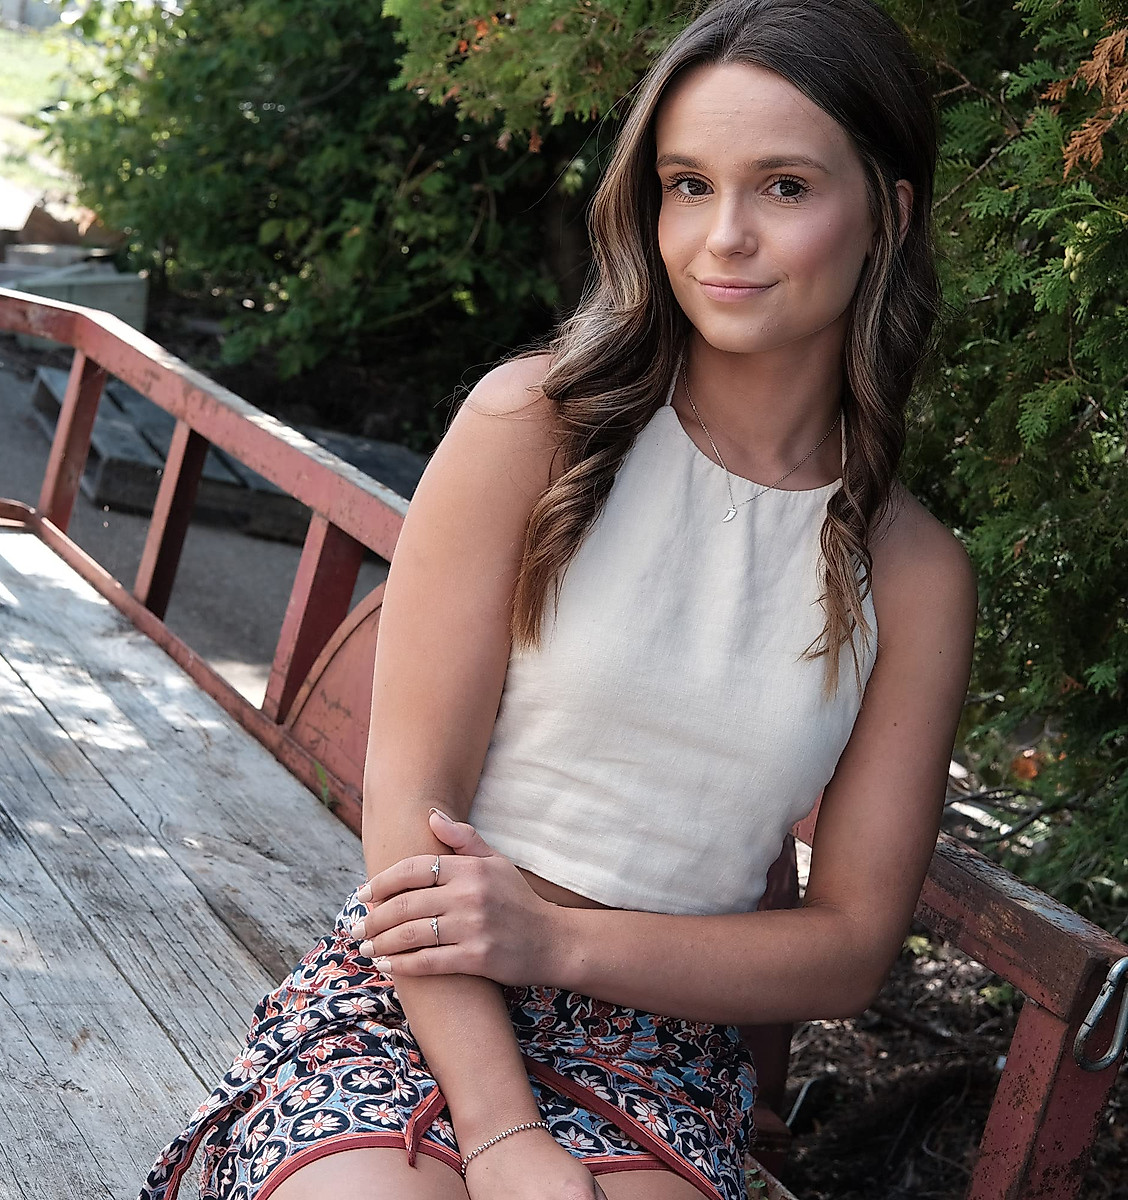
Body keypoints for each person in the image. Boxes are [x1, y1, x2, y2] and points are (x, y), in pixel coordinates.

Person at [140, 0, 977, 1197]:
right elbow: (409, 809)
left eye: (785, 187)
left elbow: (847, 946)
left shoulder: (915, 576)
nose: (723, 237)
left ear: (886, 214)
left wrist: (563, 941)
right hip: (418, 987)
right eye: (688, 184)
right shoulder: (534, 426)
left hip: (659, 1044)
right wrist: (500, 1135)